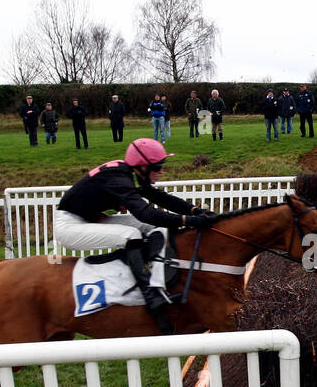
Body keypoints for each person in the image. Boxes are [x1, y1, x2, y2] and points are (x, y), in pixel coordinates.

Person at [53, 138, 216, 334]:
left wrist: (194, 211)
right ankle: (151, 297)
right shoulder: (119, 178)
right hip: (70, 225)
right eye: (158, 166)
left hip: (89, 219)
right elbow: (145, 212)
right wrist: (186, 221)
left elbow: (159, 198)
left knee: (147, 228)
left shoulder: (129, 173)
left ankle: (157, 279)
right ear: (142, 166)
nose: (161, 170)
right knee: (131, 234)